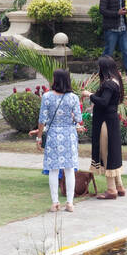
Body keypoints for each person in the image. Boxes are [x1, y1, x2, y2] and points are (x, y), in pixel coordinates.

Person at [34, 70, 83, 212]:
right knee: (69, 169)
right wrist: (73, 117)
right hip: (69, 134)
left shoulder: (47, 97)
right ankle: (69, 203)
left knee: (53, 170)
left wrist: (39, 137)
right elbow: (79, 119)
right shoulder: (73, 97)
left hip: (53, 134)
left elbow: (42, 119)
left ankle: (55, 203)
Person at [83, 55, 126, 200]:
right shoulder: (116, 80)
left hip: (105, 123)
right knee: (113, 152)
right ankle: (119, 186)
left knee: (106, 153)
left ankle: (111, 190)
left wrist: (90, 95)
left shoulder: (108, 83)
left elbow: (103, 102)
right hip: (111, 120)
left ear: (104, 68)